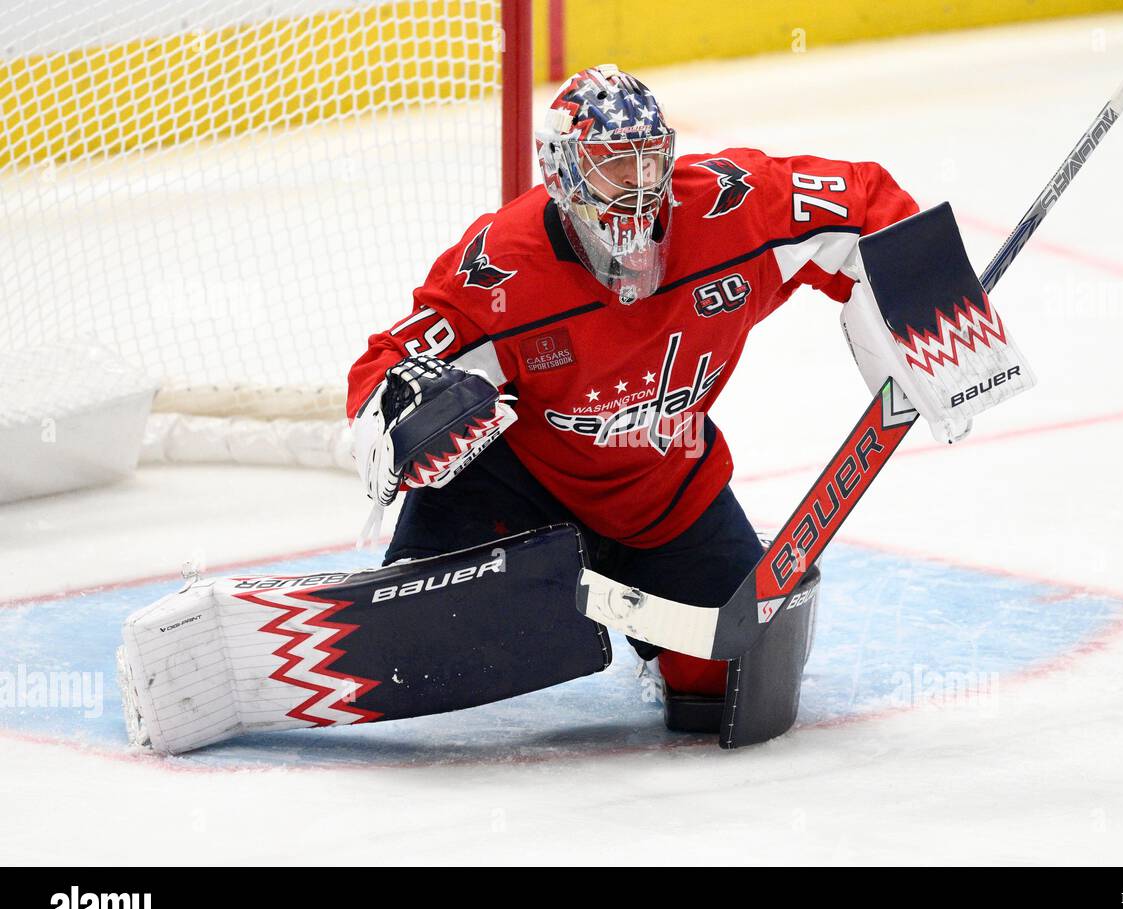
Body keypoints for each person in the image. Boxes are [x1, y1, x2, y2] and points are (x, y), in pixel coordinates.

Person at [347, 63, 919, 714]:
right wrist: (402, 407)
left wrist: (934, 309)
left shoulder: (729, 209)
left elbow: (863, 200)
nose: (642, 185)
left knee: (730, 683)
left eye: (651, 160)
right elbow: (391, 359)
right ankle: (437, 578)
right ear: (562, 171)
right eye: (614, 164)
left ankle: (675, 614)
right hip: (521, 488)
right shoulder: (503, 266)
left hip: (666, 493)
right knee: (409, 646)